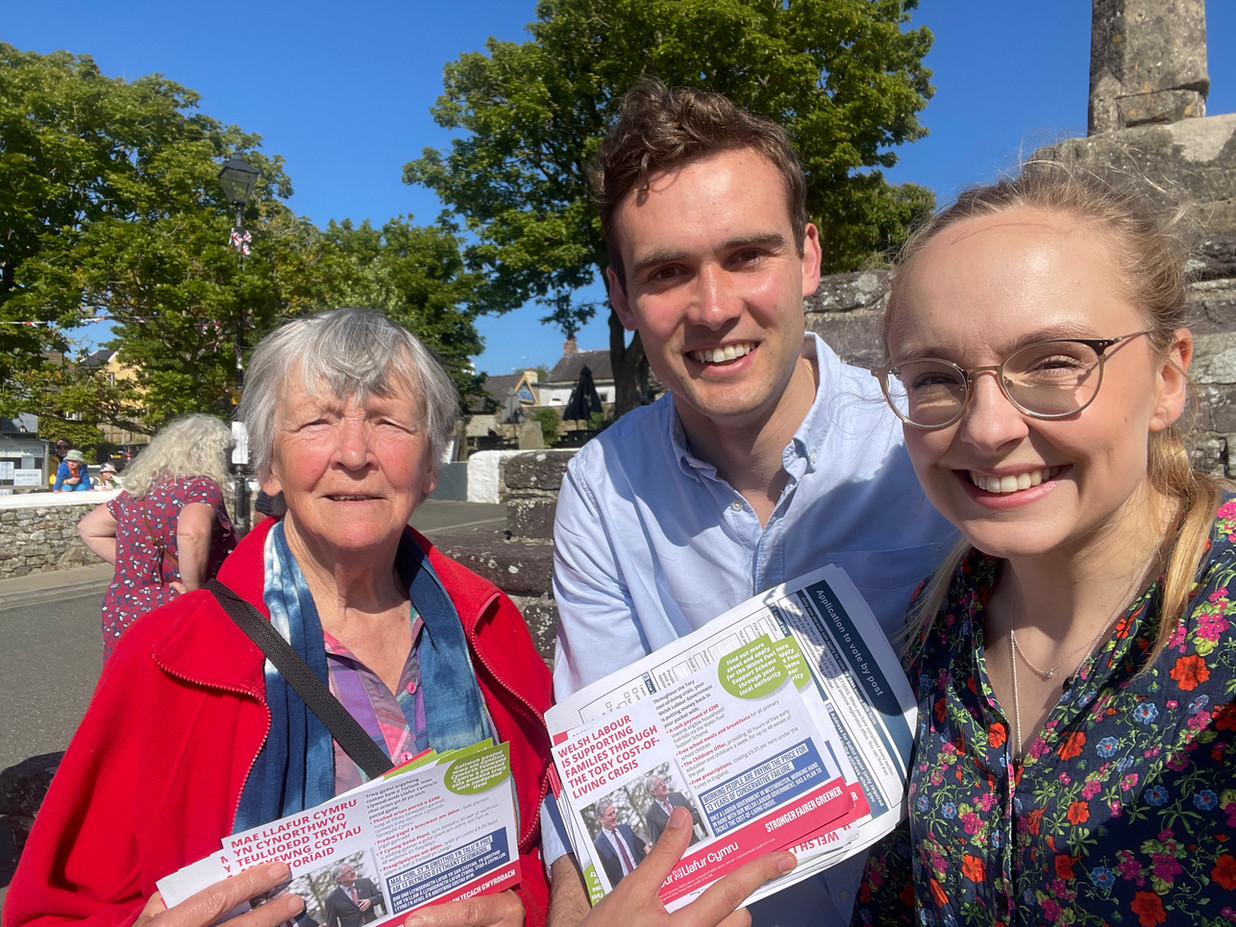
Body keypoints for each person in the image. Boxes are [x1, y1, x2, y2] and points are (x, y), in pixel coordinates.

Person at [8, 308, 793, 927]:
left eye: (388, 420)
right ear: (270, 464)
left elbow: (553, 846)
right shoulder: (171, 655)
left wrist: (524, 910)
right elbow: (50, 908)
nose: (354, 452)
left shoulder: (490, 631)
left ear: (429, 462)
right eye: (316, 420)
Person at [549, 80, 956, 925]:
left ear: (807, 257)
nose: (713, 308)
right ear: (620, 297)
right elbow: (602, 766)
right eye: (667, 272)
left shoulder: (926, 445)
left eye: (746, 255)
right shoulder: (601, 486)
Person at [851, 164, 1236, 924]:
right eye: (935, 378)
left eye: (1055, 362)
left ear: (1167, 377)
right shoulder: (935, 630)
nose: (987, 427)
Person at [77, 414, 238, 659]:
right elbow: (191, 532)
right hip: (173, 612)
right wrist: (194, 592)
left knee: (130, 681)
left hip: (123, 611)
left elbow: (89, 528)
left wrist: (134, 565)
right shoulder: (200, 487)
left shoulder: (140, 490)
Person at [592, 801, 648, 886]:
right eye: (610, 815)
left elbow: (642, 853)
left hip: (644, 878)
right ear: (601, 819)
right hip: (625, 888)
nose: (614, 816)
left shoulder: (626, 829)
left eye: (614, 812)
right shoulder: (598, 845)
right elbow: (606, 876)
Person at [643, 776, 702, 848]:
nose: (663, 785)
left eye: (663, 782)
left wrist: (684, 821)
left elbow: (696, 814)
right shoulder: (650, 815)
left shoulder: (678, 796)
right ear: (653, 792)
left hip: (695, 845)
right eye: (659, 785)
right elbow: (658, 843)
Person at [323, 862, 383, 927]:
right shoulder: (331, 899)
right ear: (339, 879)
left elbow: (381, 896)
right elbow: (332, 924)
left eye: (352, 869)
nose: (353, 872)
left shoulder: (366, 882)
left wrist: (370, 901)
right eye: (348, 872)